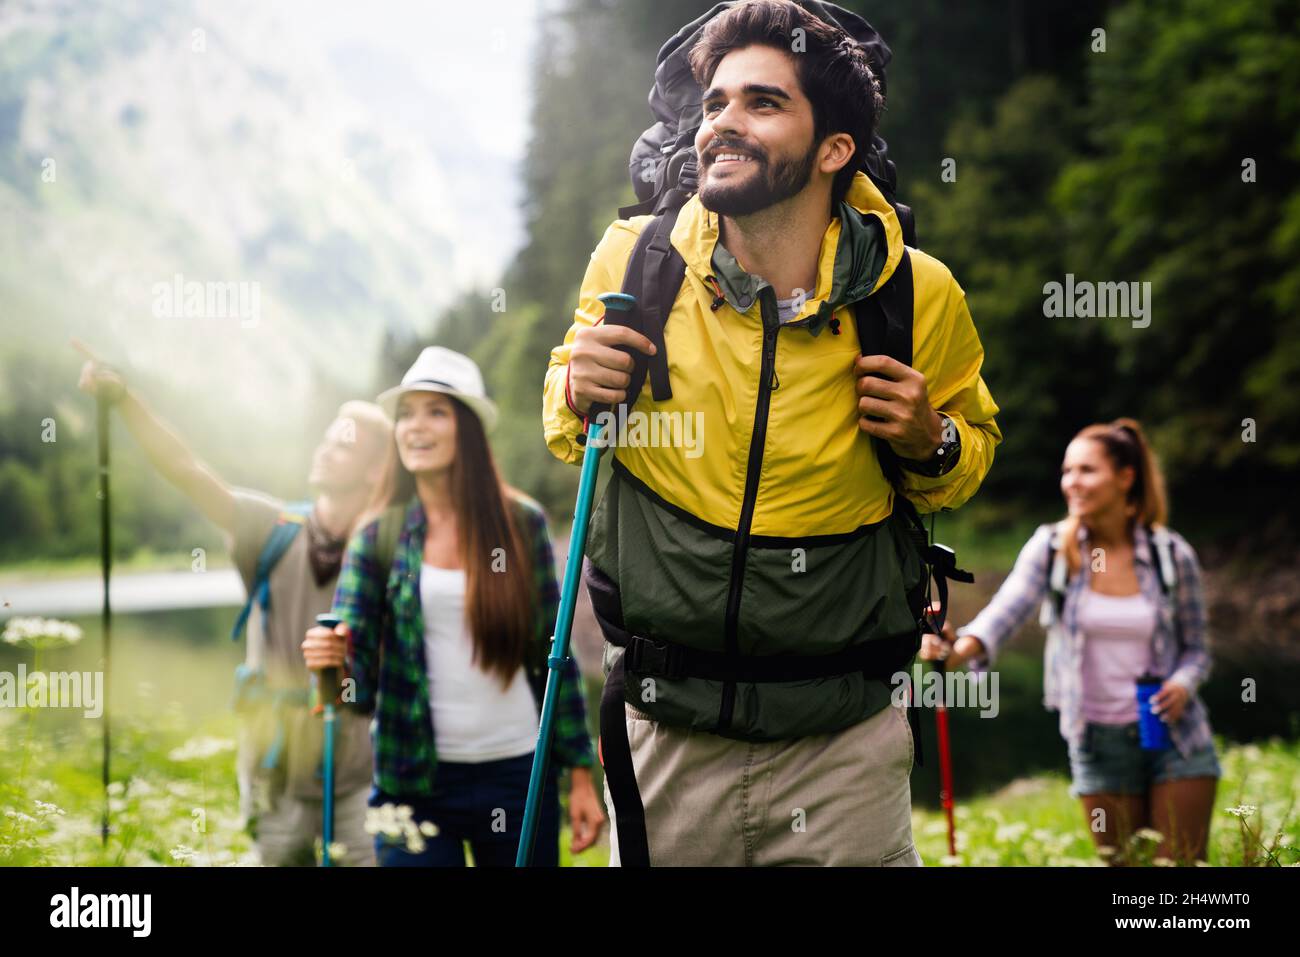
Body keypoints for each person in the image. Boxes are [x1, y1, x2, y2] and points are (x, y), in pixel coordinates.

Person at [542, 0, 1001, 866]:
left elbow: (965, 455)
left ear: (834, 150)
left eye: (762, 103)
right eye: (714, 102)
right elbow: (567, 422)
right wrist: (574, 387)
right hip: (663, 731)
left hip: (846, 743)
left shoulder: (918, 295)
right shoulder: (637, 262)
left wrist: (931, 436)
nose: (722, 123)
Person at [75, 341, 391, 867]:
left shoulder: (384, 549)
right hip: (275, 770)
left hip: (358, 773)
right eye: (327, 439)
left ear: (374, 471)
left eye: (345, 445)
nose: (325, 449)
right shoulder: (268, 529)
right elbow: (187, 470)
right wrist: (126, 401)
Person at [302, 347, 603, 866]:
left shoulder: (521, 523)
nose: (416, 427)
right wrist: (331, 661)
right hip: (409, 784)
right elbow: (351, 691)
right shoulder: (378, 536)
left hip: (517, 777)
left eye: (436, 411)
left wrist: (578, 773)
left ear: (466, 428)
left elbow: (554, 654)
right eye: (408, 414)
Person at [923, 418, 1220, 864]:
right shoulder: (1051, 548)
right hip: (1097, 743)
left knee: (1180, 867)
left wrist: (1182, 683)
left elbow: (1197, 649)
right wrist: (955, 650)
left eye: (1086, 470)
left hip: (1177, 737)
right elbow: (1003, 615)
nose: (1071, 483)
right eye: (1067, 471)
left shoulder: (1170, 554)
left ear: (1126, 477)